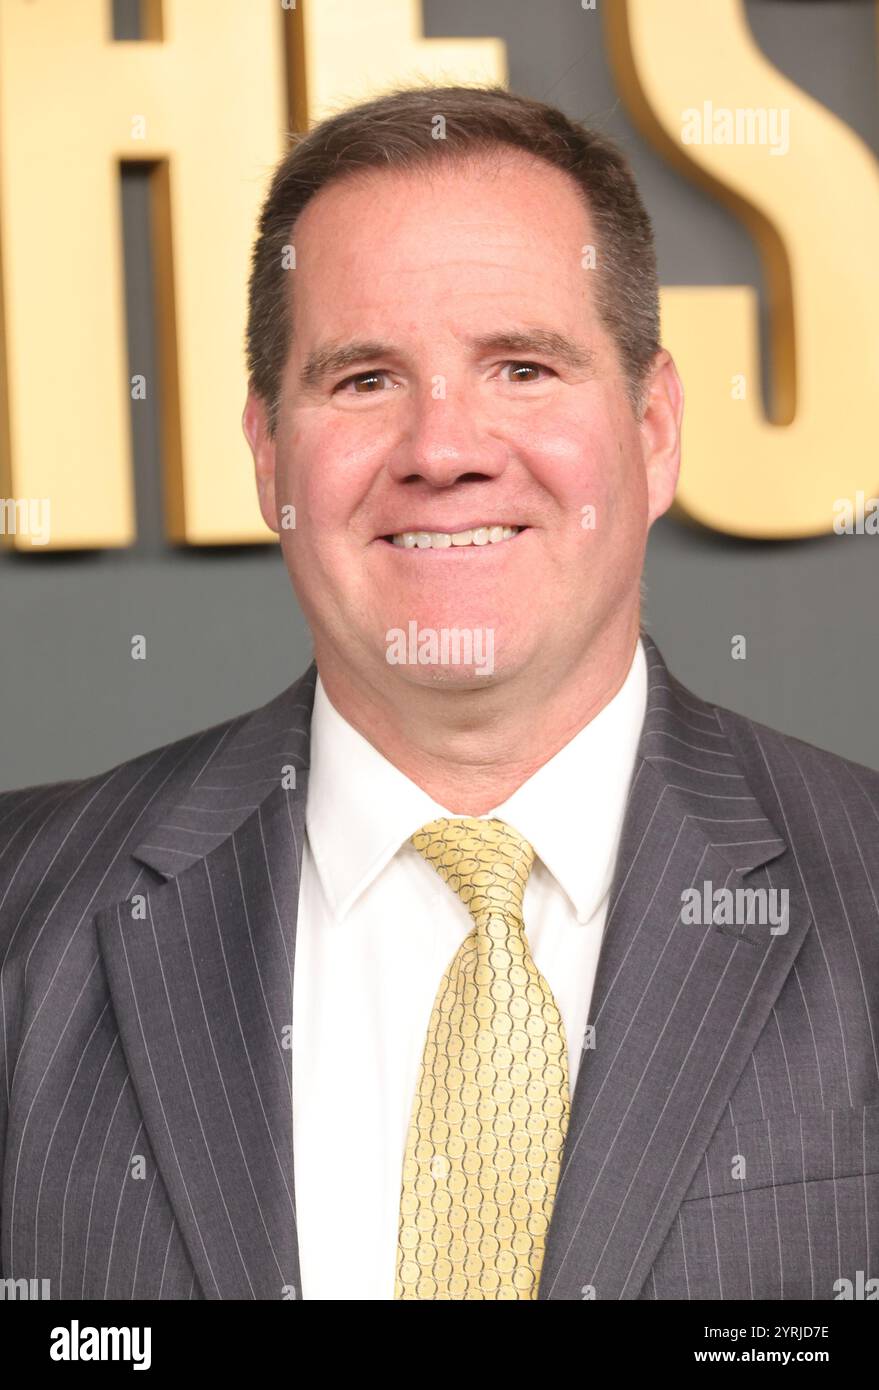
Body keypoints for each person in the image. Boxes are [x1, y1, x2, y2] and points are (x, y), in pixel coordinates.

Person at [1, 85, 876, 1302]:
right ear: (267, 454)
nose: (444, 447)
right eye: (364, 380)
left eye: (523, 366)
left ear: (657, 426)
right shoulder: (19, 915)